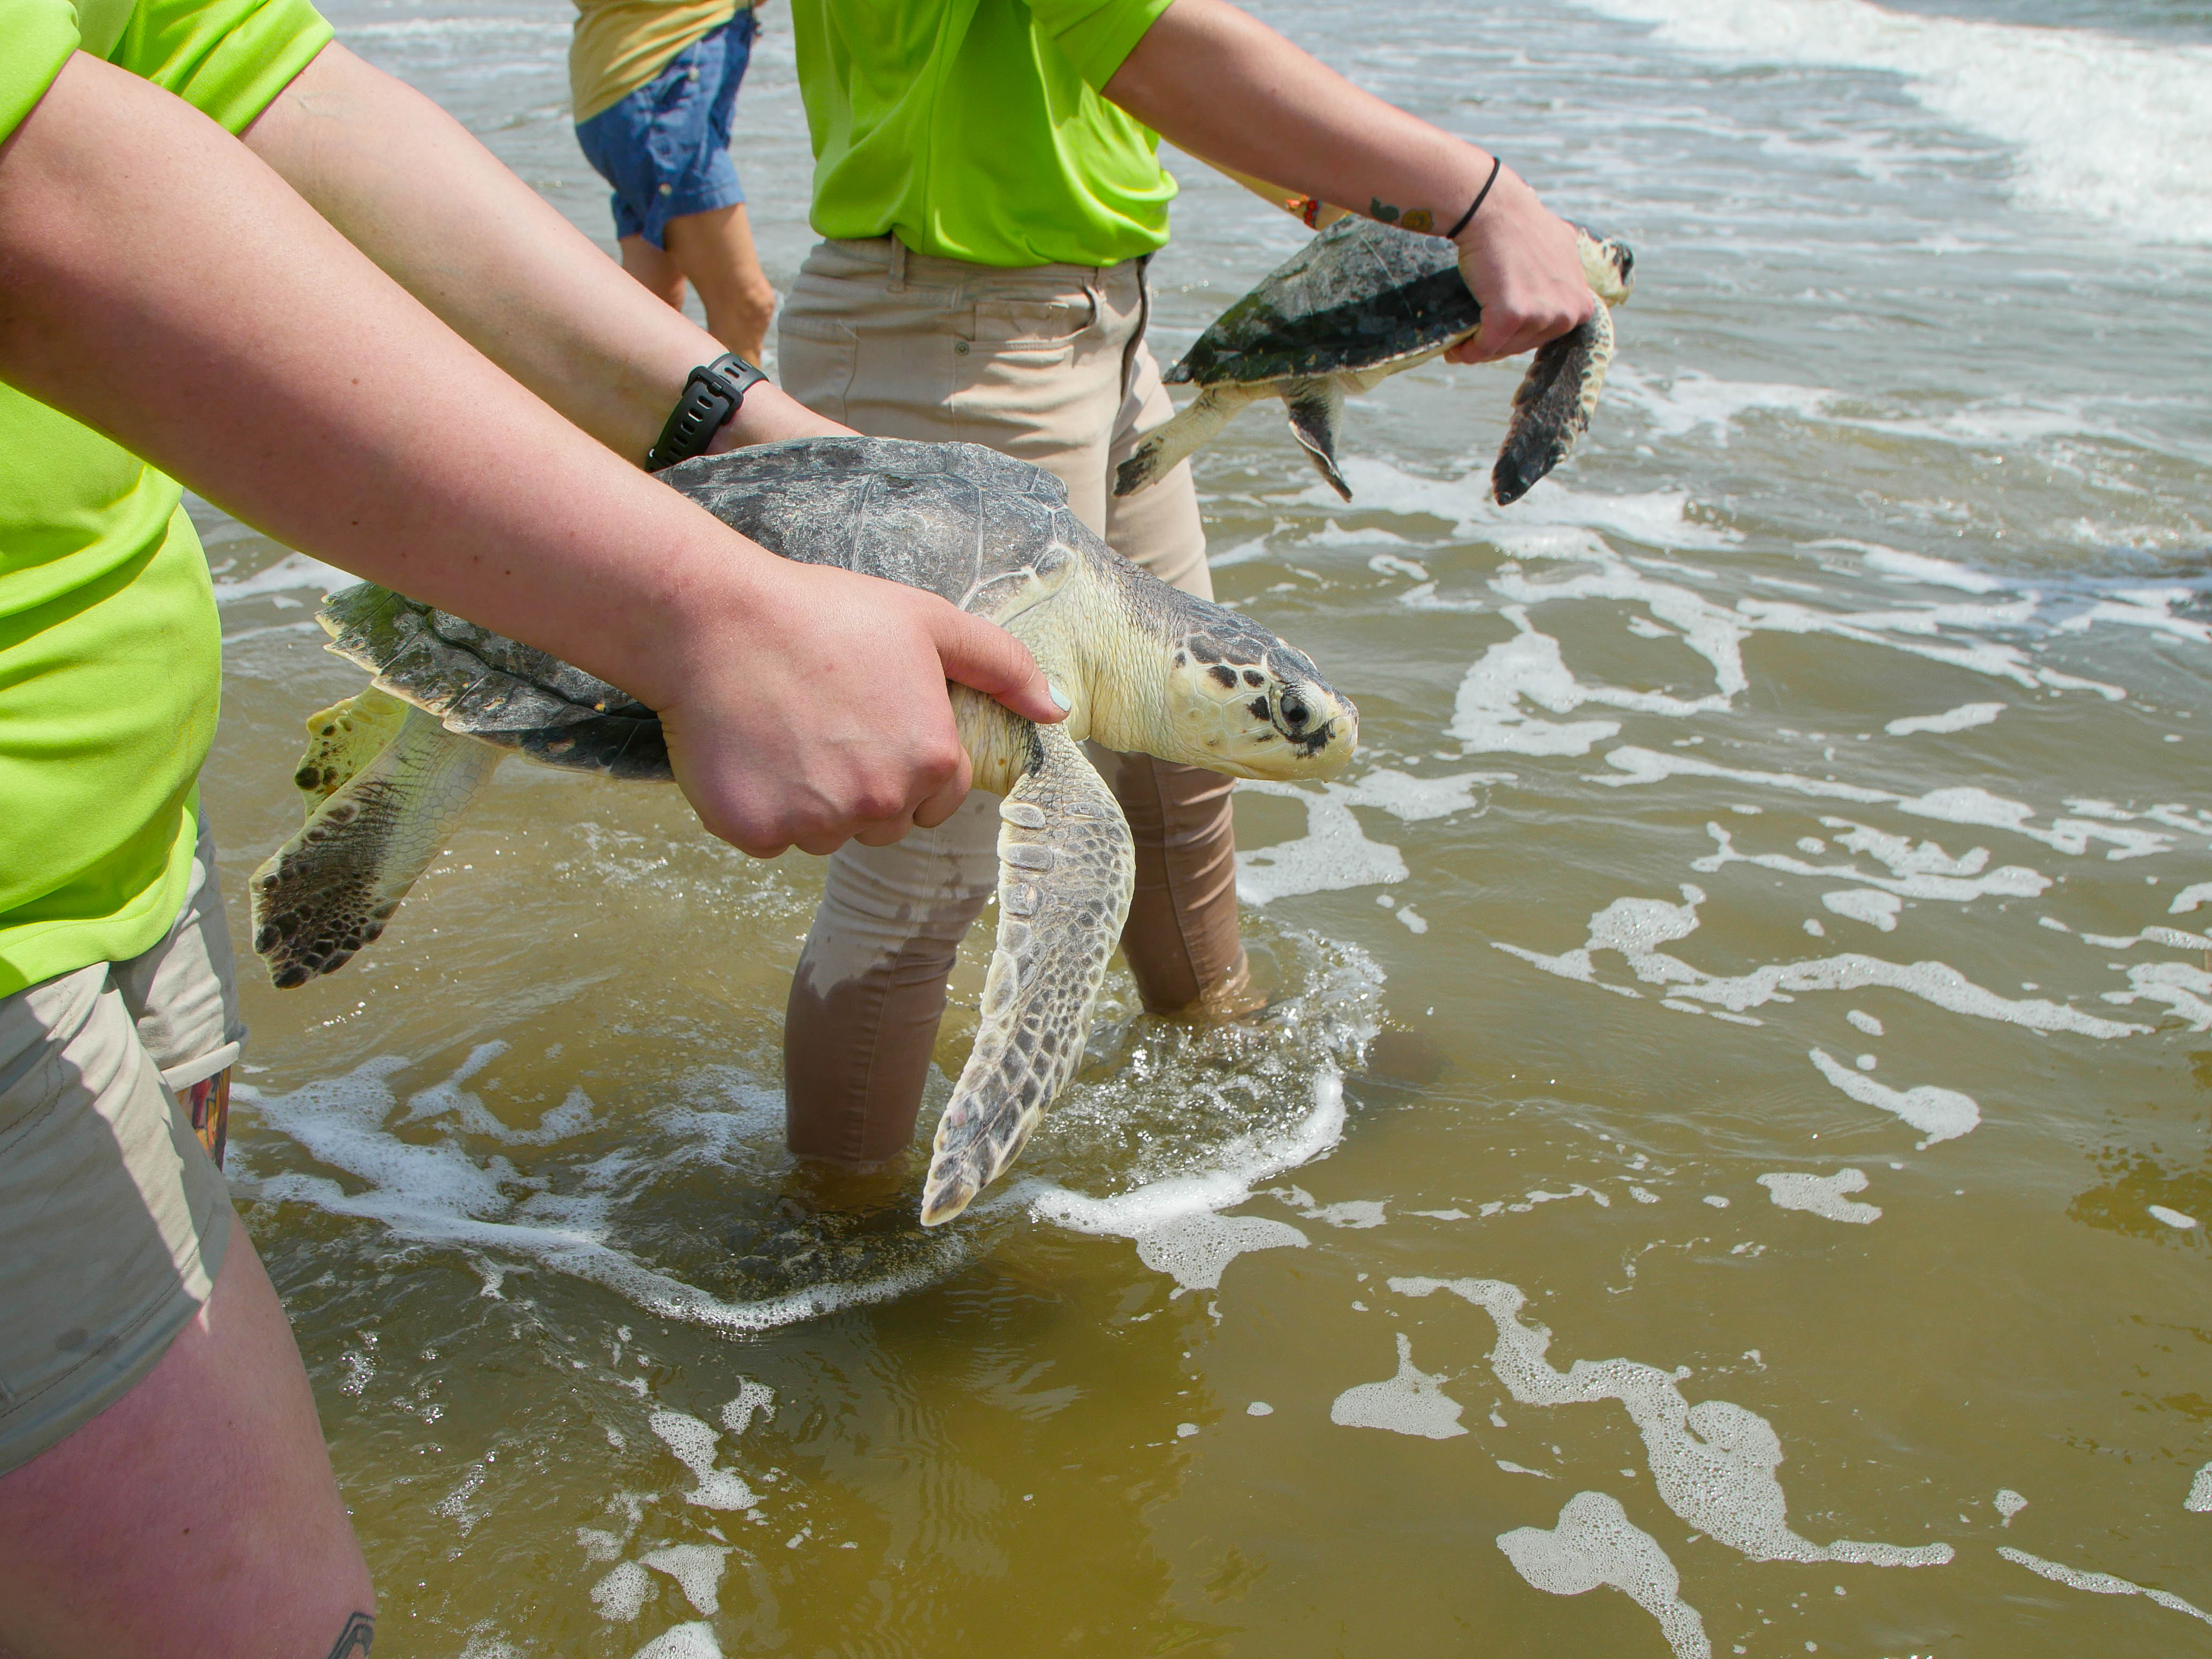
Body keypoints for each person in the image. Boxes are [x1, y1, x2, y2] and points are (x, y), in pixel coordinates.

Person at [0, 3, 1066, 1650]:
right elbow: (40, 185)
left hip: (120, 818)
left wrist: (759, 437)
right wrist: (701, 605)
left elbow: (227, 66)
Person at [773, 0, 1595, 1169]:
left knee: (1183, 749)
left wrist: (1342, 191)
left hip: (1098, 324)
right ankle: (833, 1254)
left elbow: (1093, 62)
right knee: (929, 859)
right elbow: (1146, 38)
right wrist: (1480, 198)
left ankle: (1219, 1064)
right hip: (950, 339)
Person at [570, 0, 779, 357]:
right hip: (660, 82)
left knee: (653, 308)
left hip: (643, 80)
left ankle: (591, 410)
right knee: (744, 305)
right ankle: (738, 415)